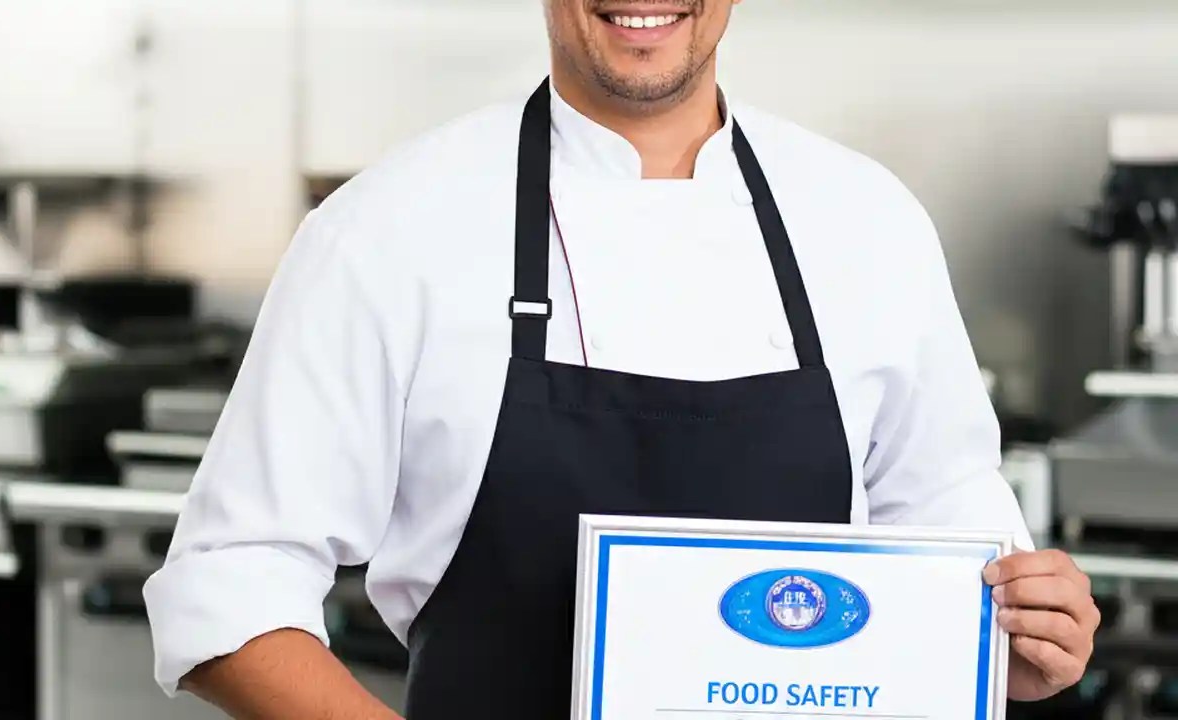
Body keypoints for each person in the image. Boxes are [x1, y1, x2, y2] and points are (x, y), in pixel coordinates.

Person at [144, 1, 1100, 717]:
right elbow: (228, 579)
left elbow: (950, 527)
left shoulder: (866, 220)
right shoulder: (389, 227)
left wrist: (1017, 641)